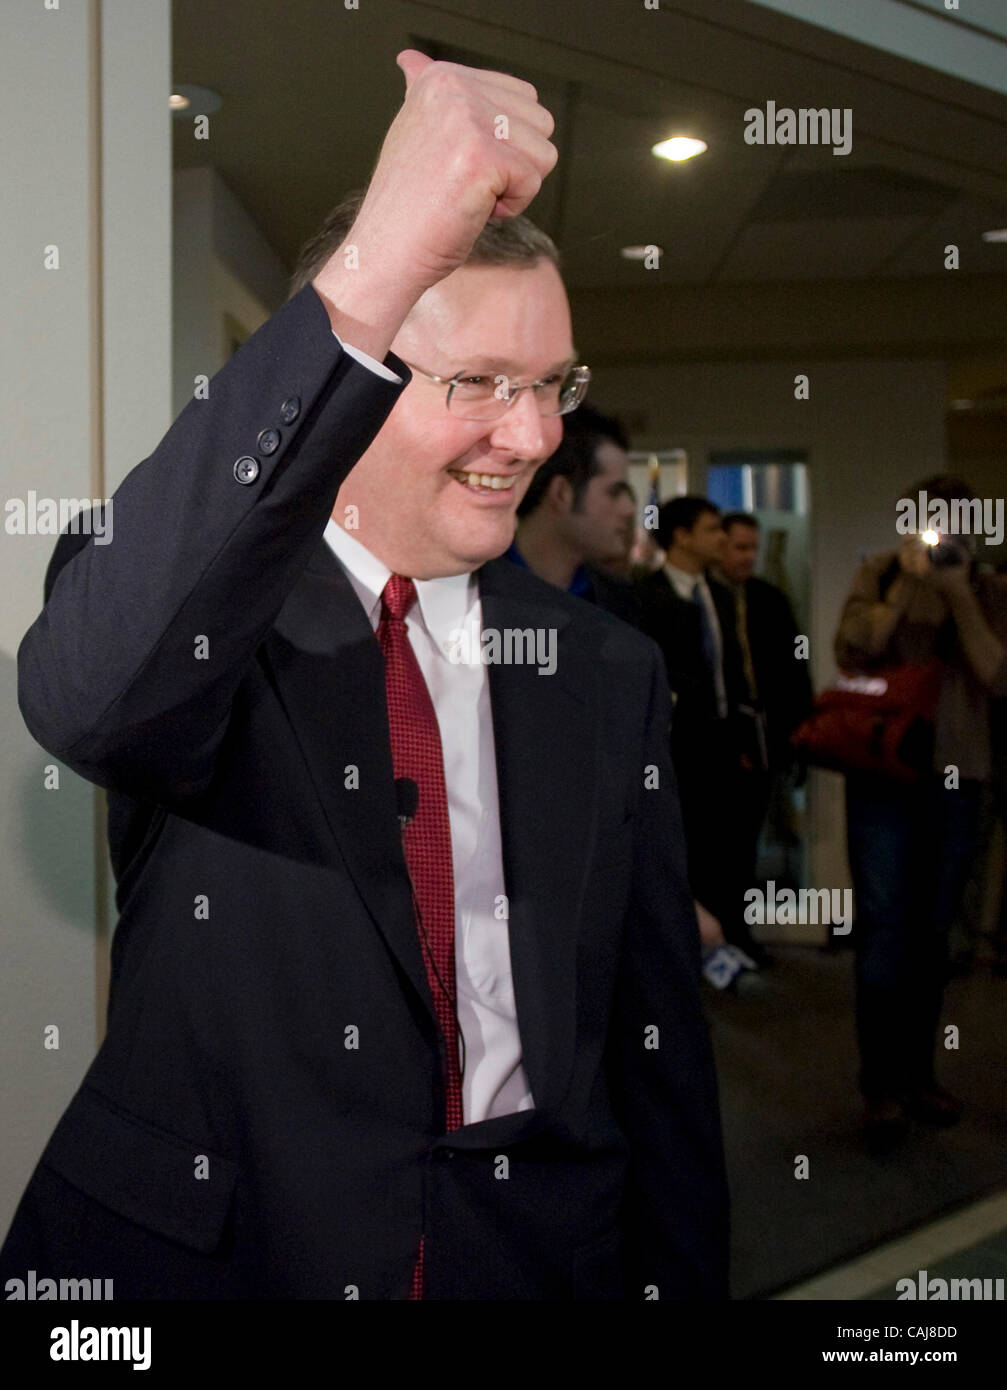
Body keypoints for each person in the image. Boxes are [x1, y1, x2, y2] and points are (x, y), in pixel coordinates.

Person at [1, 51, 728, 1301]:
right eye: (481, 386)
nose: (536, 436)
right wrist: (381, 258)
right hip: (228, 1260)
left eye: (552, 384)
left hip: (535, 1257)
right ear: (364, 389)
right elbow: (81, 692)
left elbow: (655, 1050)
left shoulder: (607, 668)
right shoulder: (211, 621)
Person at [834, 475, 1007, 1152]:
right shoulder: (877, 574)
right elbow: (852, 652)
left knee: (933, 936)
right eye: (928, 523)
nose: (940, 537)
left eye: (952, 525)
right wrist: (907, 587)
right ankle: (878, 1089)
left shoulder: (988, 588)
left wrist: (958, 594)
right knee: (882, 929)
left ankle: (917, 1076)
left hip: (958, 776)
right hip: (882, 775)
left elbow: (997, 676)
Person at [638, 498, 766, 964]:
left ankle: (727, 945)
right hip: (676, 750)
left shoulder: (720, 594)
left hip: (725, 749)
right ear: (682, 536)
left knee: (726, 850)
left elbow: (731, 671)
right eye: (711, 530)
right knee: (680, 851)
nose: (720, 539)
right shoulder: (646, 596)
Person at [715, 512, 813, 909]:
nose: (748, 557)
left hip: (765, 733)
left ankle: (741, 927)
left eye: (753, 548)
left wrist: (799, 729)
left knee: (749, 833)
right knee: (717, 837)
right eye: (740, 547)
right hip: (719, 734)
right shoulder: (703, 600)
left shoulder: (769, 599)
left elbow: (794, 668)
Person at [508, 403, 640, 624]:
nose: (630, 509)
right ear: (561, 494)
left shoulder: (626, 604)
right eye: (614, 492)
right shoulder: (471, 594)